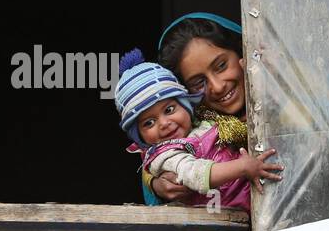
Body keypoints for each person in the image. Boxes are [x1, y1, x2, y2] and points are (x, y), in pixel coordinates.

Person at [115, 49, 281, 210]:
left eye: (169, 110)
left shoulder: (206, 123)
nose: (164, 123)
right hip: (227, 223)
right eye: (149, 123)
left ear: (185, 105)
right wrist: (243, 167)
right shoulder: (166, 154)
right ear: (140, 137)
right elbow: (196, 174)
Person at [147, 13, 262, 205]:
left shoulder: (285, 95)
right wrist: (154, 183)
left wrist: (274, 83)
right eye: (198, 82)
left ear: (241, 51)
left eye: (221, 65)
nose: (217, 87)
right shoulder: (187, 134)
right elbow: (158, 159)